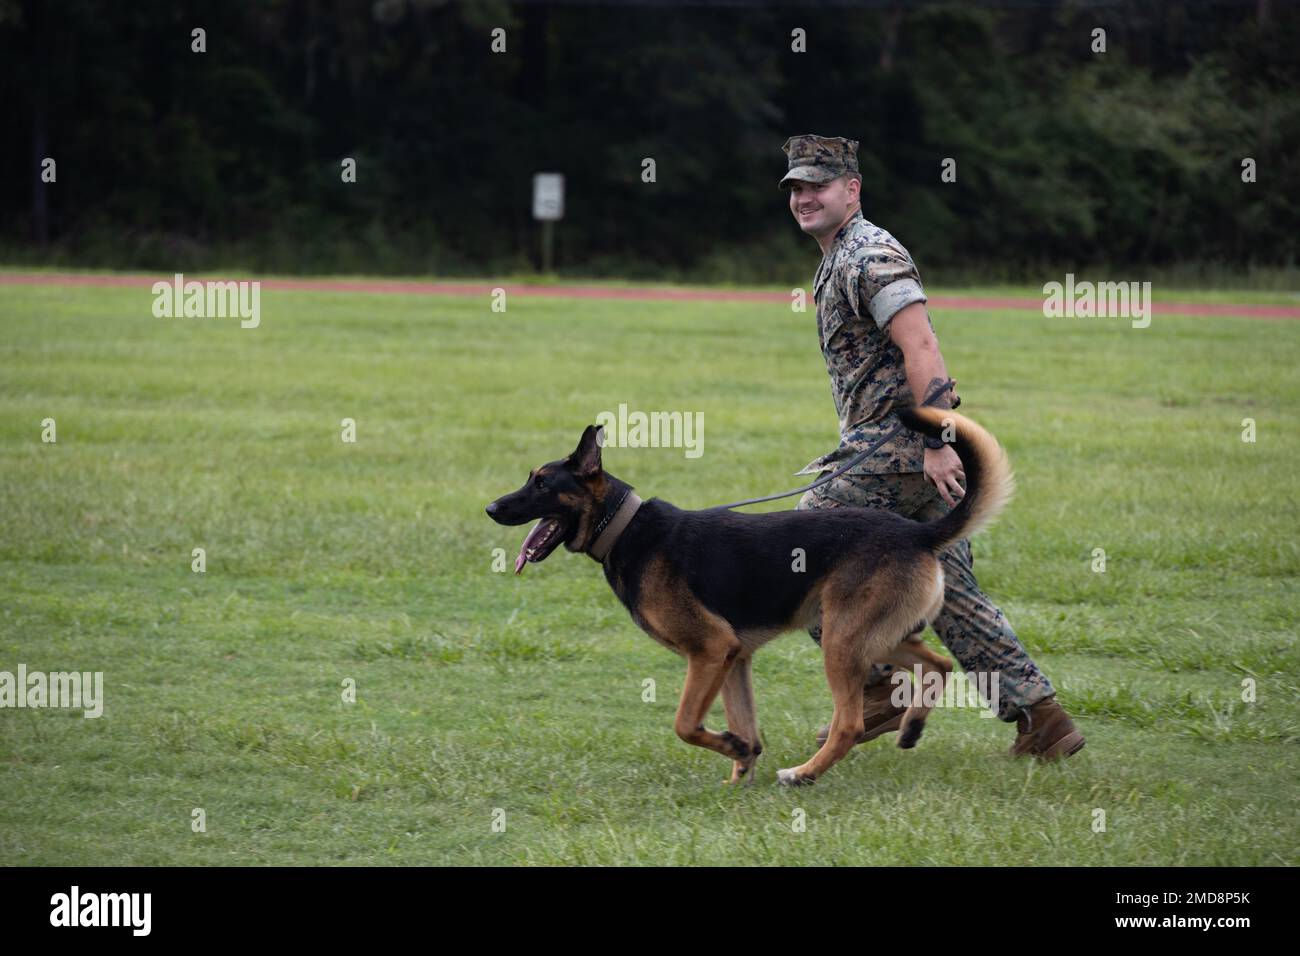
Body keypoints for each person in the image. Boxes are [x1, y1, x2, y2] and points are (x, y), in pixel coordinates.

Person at [780, 133, 1084, 760]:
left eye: (818, 185)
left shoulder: (871, 255)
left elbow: (922, 345)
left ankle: (880, 686)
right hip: (903, 454)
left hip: (897, 451)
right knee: (944, 586)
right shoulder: (840, 254)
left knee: (797, 550)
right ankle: (1040, 717)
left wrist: (941, 442)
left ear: (852, 189)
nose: (805, 197)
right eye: (796, 188)